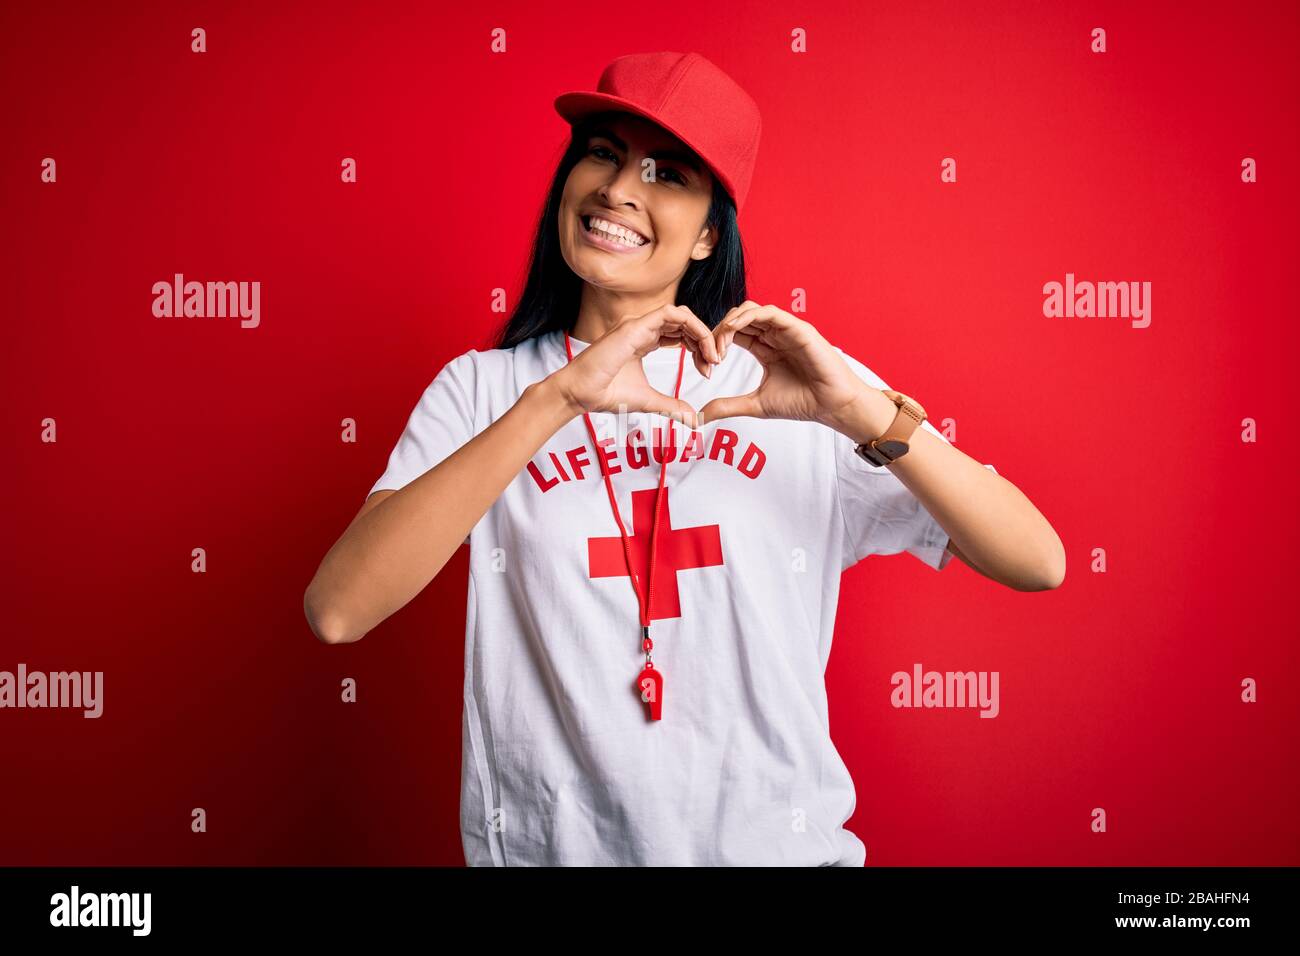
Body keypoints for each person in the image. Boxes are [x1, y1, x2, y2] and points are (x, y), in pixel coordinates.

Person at [304, 51, 1065, 866]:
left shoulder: (791, 386)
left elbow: (1037, 560)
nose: (620, 189)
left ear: (709, 235)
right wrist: (556, 398)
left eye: (666, 172)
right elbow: (339, 610)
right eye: (602, 152)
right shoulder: (487, 391)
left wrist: (858, 411)